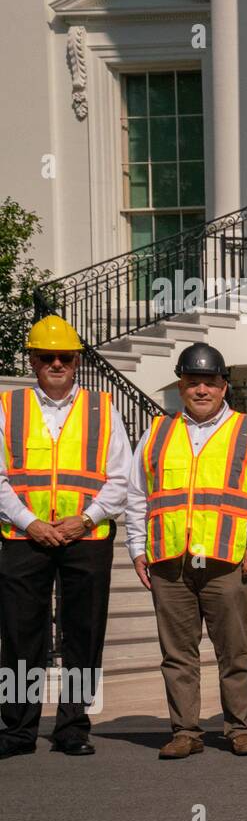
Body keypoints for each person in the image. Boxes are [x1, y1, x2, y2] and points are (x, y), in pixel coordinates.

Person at [125, 343, 247, 759]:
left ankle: (240, 728)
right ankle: (185, 732)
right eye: (193, 382)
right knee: (177, 655)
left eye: (209, 383)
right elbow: (137, 495)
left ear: (223, 386)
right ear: (181, 386)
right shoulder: (157, 432)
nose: (201, 390)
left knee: (233, 650)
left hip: (227, 561)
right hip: (169, 561)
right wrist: (137, 549)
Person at [0, 315, 131, 759]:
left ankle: (72, 726)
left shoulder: (103, 407)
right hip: (24, 538)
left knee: (83, 633)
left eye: (65, 357)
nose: (56, 363)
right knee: (20, 636)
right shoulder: (7, 407)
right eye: (46, 356)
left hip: (86, 539)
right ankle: (18, 729)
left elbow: (121, 478)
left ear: (77, 361)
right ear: (32, 360)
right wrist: (27, 521)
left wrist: (87, 519)